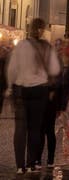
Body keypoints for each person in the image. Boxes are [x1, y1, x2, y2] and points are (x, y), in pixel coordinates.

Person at [6, 18, 61, 174]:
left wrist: (10, 86)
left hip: (21, 90)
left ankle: (19, 166)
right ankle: (31, 164)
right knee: (35, 128)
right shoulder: (47, 48)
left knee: (20, 128)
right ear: (42, 30)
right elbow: (55, 69)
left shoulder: (21, 46)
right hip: (39, 90)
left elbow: (11, 70)